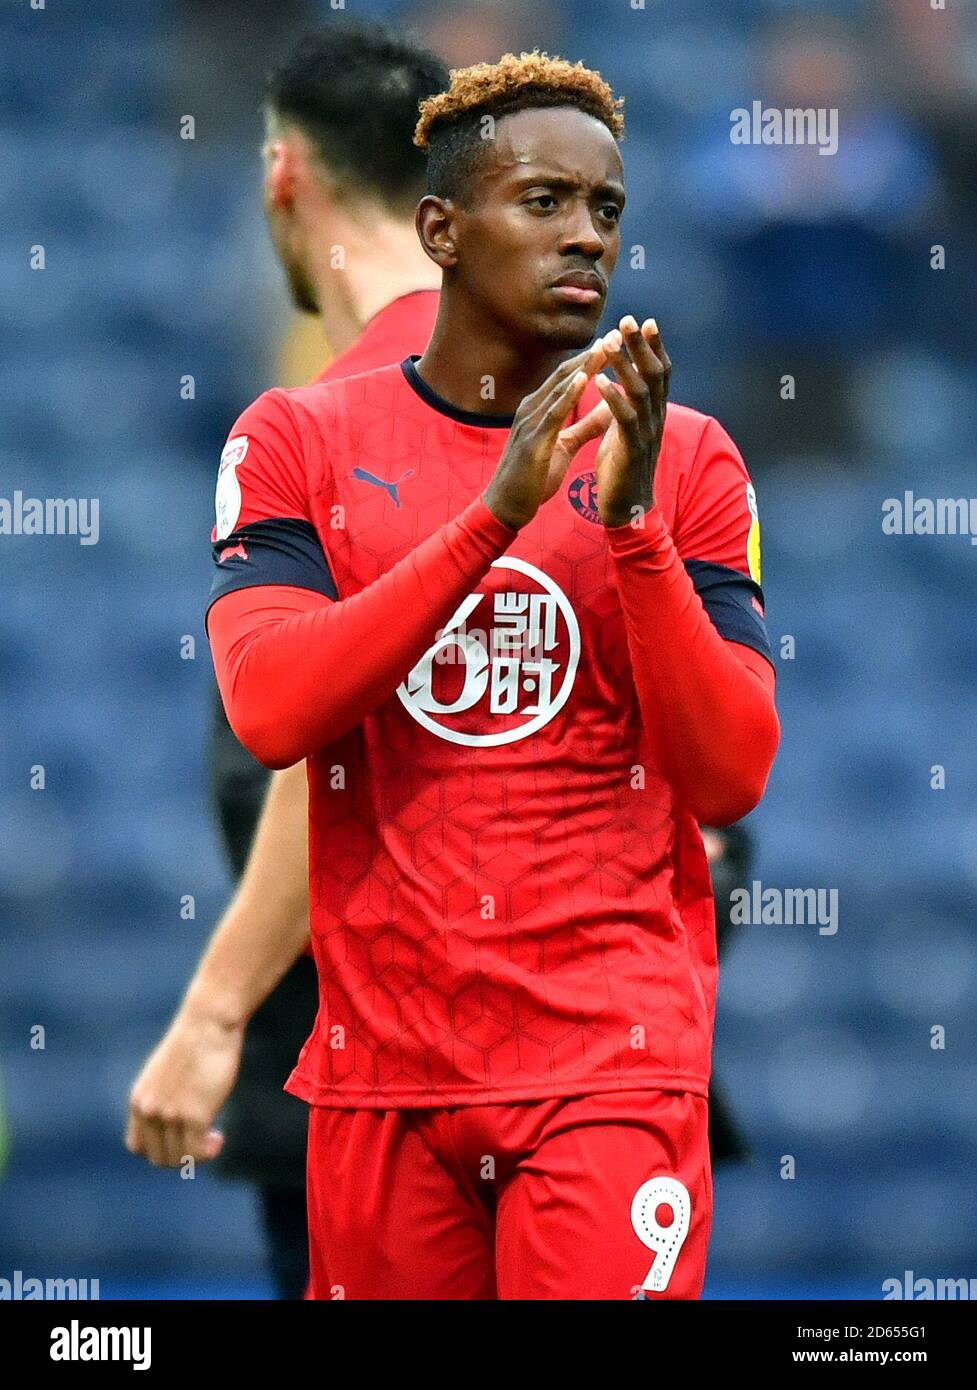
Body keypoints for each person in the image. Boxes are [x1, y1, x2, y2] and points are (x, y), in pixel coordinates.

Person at [201, 51, 780, 1300]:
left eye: (606, 211)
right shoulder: (295, 440)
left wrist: (627, 534)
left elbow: (729, 772)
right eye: (543, 202)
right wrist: (493, 517)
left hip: (606, 1071)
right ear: (440, 230)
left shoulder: (685, 460)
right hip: (379, 1079)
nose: (585, 239)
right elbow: (272, 708)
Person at [126, 21, 448, 1300]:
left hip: (361, 1079)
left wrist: (209, 1014)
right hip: (585, 1084)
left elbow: (324, 760)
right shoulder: (609, 412)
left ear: (281, 176)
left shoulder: (314, 432)